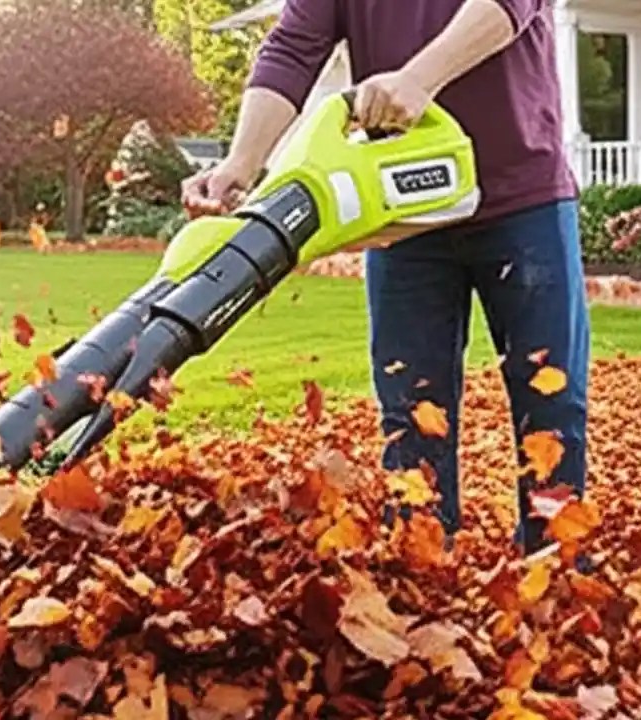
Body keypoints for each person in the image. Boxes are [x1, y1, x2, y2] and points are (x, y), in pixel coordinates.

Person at [180, 0, 590, 557]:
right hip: (404, 209)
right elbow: (292, 49)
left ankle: (558, 567)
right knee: (411, 406)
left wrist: (419, 79)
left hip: (523, 197)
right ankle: (420, 569)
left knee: (550, 398)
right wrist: (240, 164)